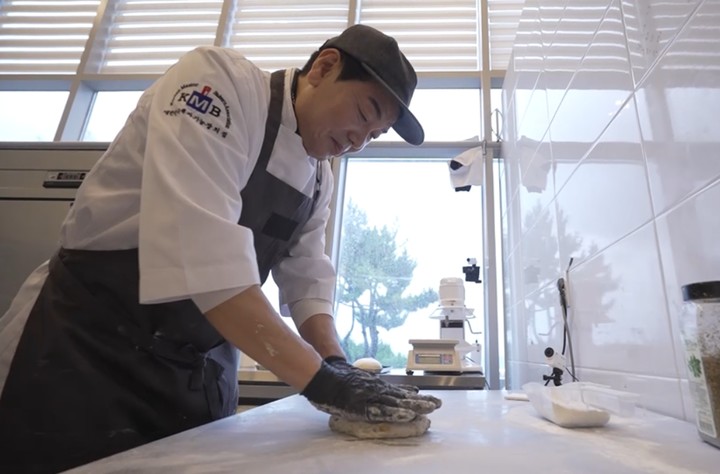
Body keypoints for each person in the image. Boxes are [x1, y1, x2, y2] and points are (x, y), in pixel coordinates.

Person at [0, 24, 442, 473]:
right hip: (86, 349)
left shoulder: (318, 179)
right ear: (324, 68)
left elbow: (307, 276)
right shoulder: (218, 85)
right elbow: (204, 254)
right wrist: (323, 383)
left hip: (189, 373)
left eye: (374, 135)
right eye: (365, 113)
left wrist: (336, 363)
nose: (358, 142)